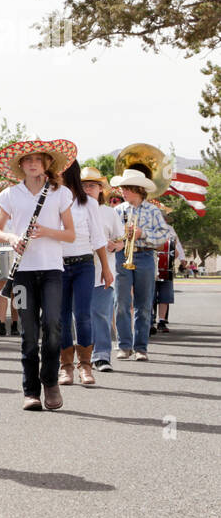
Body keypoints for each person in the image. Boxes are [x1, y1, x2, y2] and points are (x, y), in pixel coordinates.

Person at [0, 139, 78, 411]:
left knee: (52, 325)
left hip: (52, 269)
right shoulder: (9, 195)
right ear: (20, 166)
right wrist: (13, 237)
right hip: (22, 273)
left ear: (47, 164)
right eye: (27, 160)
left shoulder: (60, 193)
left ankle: (50, 382)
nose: (32, 164)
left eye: (37, 160)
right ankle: (31, 391)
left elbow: (70, 234)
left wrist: (46, 231)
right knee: (29, 333)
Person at [56, 160, 114, 386]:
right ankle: (66, 367)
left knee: (83, 315)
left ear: (69, 173)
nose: (55, 175)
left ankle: (86, 366)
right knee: (60, 317)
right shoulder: (50, 200)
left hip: (84, 265)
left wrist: (106, 269)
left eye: (59, 171)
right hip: (57, 265)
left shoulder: (88, 203)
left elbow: (98, 238)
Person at [110, 170, 171, 361]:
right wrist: (116, 242)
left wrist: (142, 234)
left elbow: (164, 237)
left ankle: (141, 348)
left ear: (137, 189)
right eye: (122, 188)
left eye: (126, 188)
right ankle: (124, 345)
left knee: (143, 304)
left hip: (145, 257)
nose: (122, 192)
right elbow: (110, 234)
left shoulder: (153, 211)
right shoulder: (118, 210)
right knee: (120, 302)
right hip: (122, 257)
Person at [81, 167, 123, 374]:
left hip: (103, 271)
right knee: (80, 315)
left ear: (100, 189)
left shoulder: (110, 213)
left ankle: (102, 356)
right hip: (77, 269)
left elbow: (120, 240)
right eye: (83, 185)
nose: (87, 189)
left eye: (92, 185)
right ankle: (82, 357)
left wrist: (115, 246)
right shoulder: (72, 209)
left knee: (101, 314)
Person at [0, 178, 21, 337]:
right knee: (2, 290)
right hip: (1, 254)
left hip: (18, 256)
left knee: (18, 291)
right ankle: (2, 323)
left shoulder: (19, 215)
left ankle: (17, 323)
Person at [154, 213, 180, 333]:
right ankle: (149, 321)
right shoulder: (148, 230)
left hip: (166, 268)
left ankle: (162, 321)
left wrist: (172, 256)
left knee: (165, 296)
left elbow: (175, 248)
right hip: (151, 267)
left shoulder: (170, 230)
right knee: (150, 296)